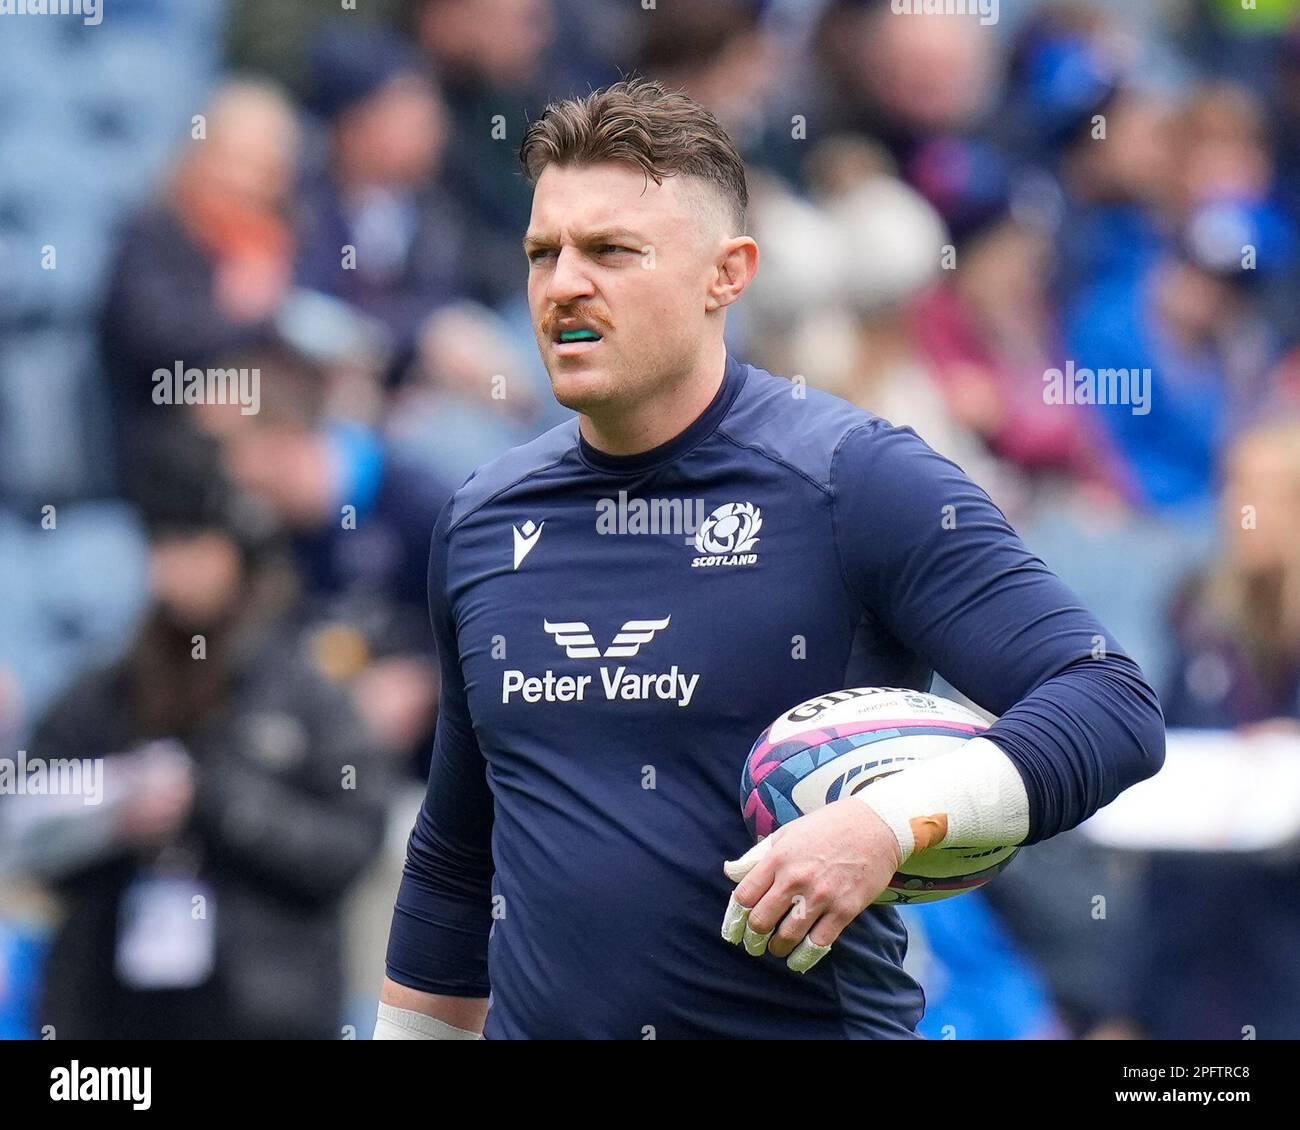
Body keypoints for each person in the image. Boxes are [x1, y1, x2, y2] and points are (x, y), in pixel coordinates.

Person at [376, 77, 1165, 1040]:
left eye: (611, 251)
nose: (564, 285)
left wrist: (889, 826)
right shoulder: (483, 520)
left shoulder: (856, 482)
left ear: (728, 274)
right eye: (544, 253)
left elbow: (1111, 703)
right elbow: (458, 861)